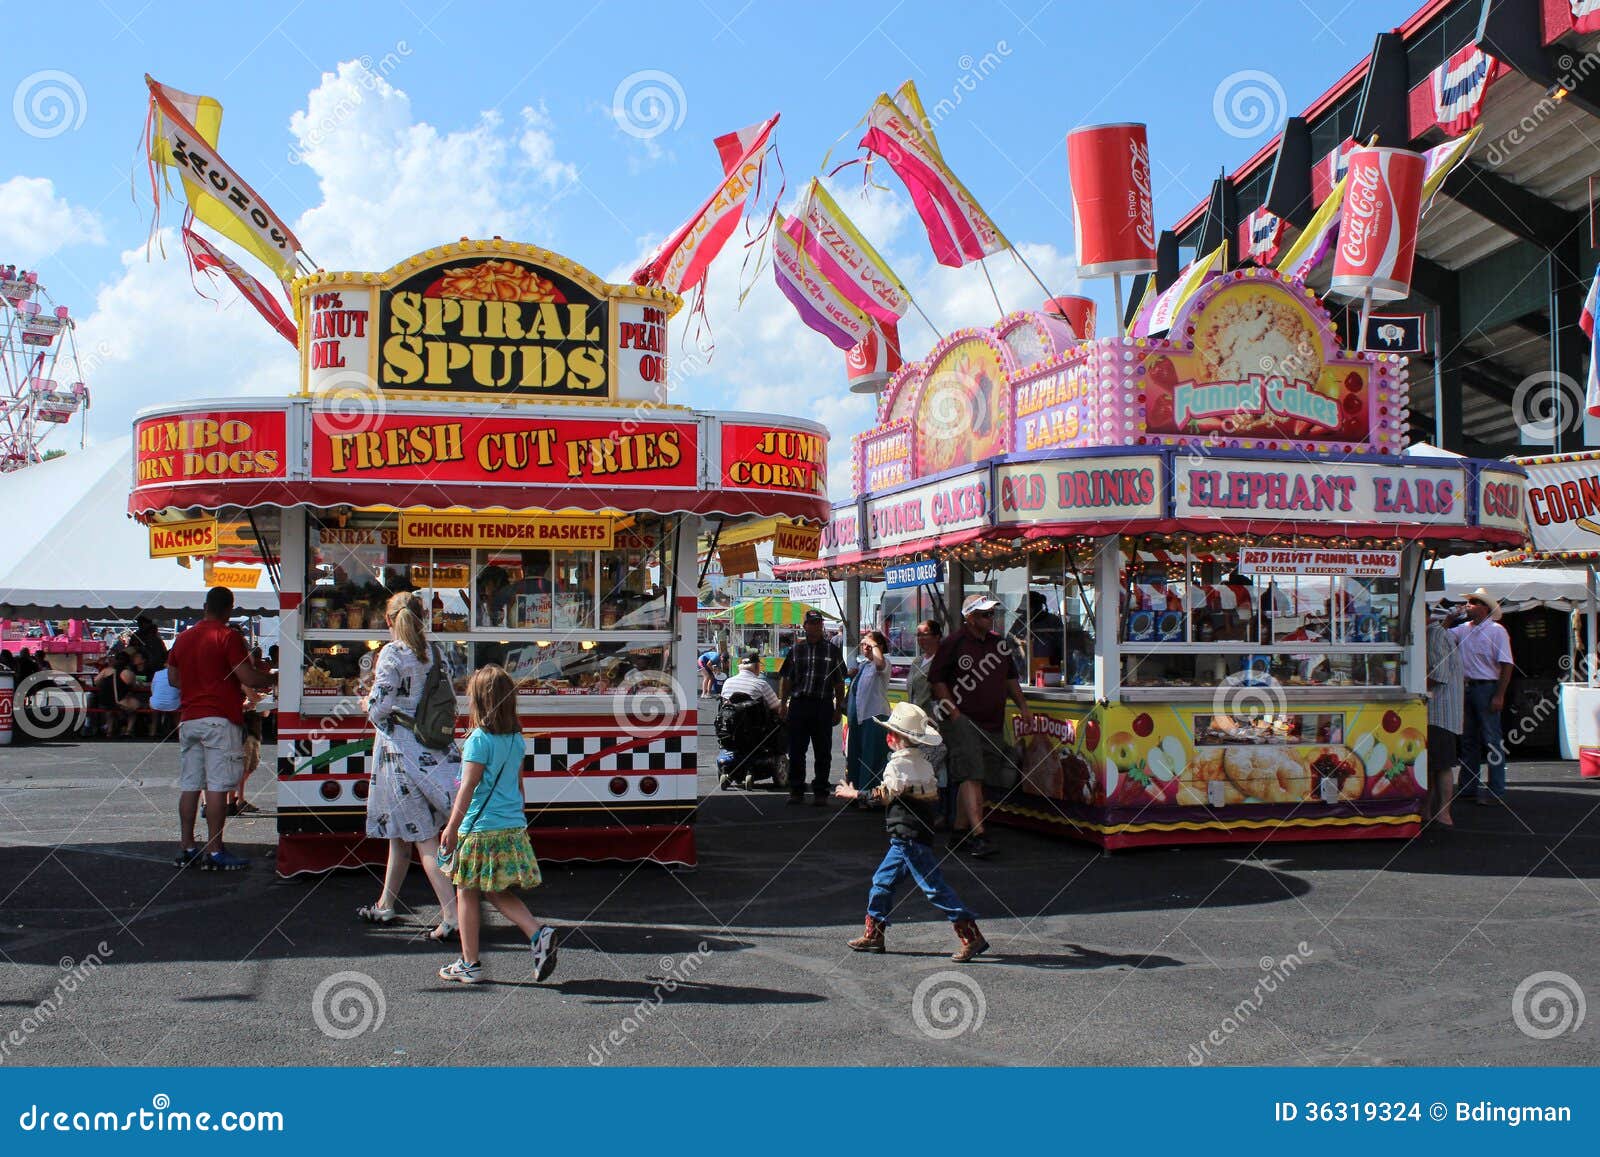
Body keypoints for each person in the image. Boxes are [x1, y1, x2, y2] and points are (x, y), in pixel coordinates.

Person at [835, 702, 990, 963]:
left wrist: (854, 793)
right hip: (913, 835)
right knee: (882, 882)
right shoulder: (924, 764)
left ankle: (971, 935)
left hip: (908, 837)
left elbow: (884, 796)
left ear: (891, 738)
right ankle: (874, 935)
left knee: (934, 888)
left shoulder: (897, 766)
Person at [437, 665, 557, 984]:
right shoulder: (516, 738)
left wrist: (451, 827)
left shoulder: (478, 740)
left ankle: (470, 963)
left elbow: (468, 787)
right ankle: (537, 932)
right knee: (495, 890)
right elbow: (519, 785)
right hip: (510, 824)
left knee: (466, 891)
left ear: (478, 700)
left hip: (479, 827)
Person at [360, 591, 462, 939]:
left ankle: (452, 916)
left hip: (400, 757)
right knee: (401, 836)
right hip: (433, 752)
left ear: (389, 621)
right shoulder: (434, 652)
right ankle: (386, 905)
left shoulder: (391, 653)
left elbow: (379, 708)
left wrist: (364, 703)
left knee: (422, 839)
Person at [165, 587, 274, 870]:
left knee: (190, 785)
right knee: (217, 787)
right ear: (229, 609)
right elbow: (247, 675)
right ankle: (215, 850)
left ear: (205, 606)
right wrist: (274, 680)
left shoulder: (183, 638)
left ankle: (187, 846)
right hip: (220, 719)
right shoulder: (228, 637)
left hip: (189, 718)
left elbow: (174, 679)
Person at [931, 593, 1034, 858]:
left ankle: (958, 832)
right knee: (972, 774)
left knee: (977, 778)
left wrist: (1023, 707)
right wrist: (954, 713)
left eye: (992, 614)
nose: (991, 618)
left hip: (992, 721)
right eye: (985, 614)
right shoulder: (953, 643)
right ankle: (980, 835)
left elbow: (1010, 679)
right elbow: (937, 680)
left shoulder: (999, 644)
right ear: (970, 617)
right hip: (962, 720)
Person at [1447, 587, 1514, 805]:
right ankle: (1468, 787)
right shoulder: (1463, 628)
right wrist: (1450, 618)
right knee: (1468, 740)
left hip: (1486, 687)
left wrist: (1499, 694)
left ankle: (1496, 790)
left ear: (1484, 608)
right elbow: (1438, 634)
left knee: (1491, 740)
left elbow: (1507, 664)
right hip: (1468, 687)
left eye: (1473, 602)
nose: (1468, 605)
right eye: (1469, 602)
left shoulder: (1497, 631)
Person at [778, 608, 847, 806]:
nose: (815, 626)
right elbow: (787, 678)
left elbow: (839, 682)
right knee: (797, 750)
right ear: (805, 626)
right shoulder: (796, 650)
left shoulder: (832, 650)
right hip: (799, 705)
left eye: (818, 623)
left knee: (823, 751)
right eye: (812, 623)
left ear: (822, 625)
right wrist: (783, 702)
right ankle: (796, 790)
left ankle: (821, 791)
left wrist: (838, 708)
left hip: (823, 705)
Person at [907, 618, 952, 830]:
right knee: (921, 768)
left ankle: (940, 813)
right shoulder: (917, 662)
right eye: (918, 634)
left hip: (936, 722)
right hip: (917, 723)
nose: (920, 638)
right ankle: (924, 811)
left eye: (924, 634)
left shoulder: (943, 661)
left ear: (936, 636)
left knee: (937, 769)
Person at [1425, 605, 1463, 828]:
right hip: (1440, 710)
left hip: (1440, 710)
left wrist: (1415, 686)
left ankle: (1443, 813)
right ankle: (1428, 811)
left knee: (1441, 764)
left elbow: (1438, 674)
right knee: (1432, 764)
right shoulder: (1436, 633)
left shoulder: (1434, 634)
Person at [845, 629, 891, 800]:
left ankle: (869, 794)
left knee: (871, 757)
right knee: (856, 755)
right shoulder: (864, 665)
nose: (865, 647)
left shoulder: (884, 663)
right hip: (859, 717)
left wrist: (874, 645)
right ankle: (854, 791)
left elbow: (880, 664)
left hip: (875, 715)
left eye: (869, 644)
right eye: (863, 644)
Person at [148, 661, 181, 740]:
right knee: (176, 715)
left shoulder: (157, 673)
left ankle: (152, 732)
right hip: (173, 704)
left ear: (165, 664)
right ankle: (180, 733)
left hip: (156, 704)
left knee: (154, 710)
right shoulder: (180, 674)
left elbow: (153, 689)